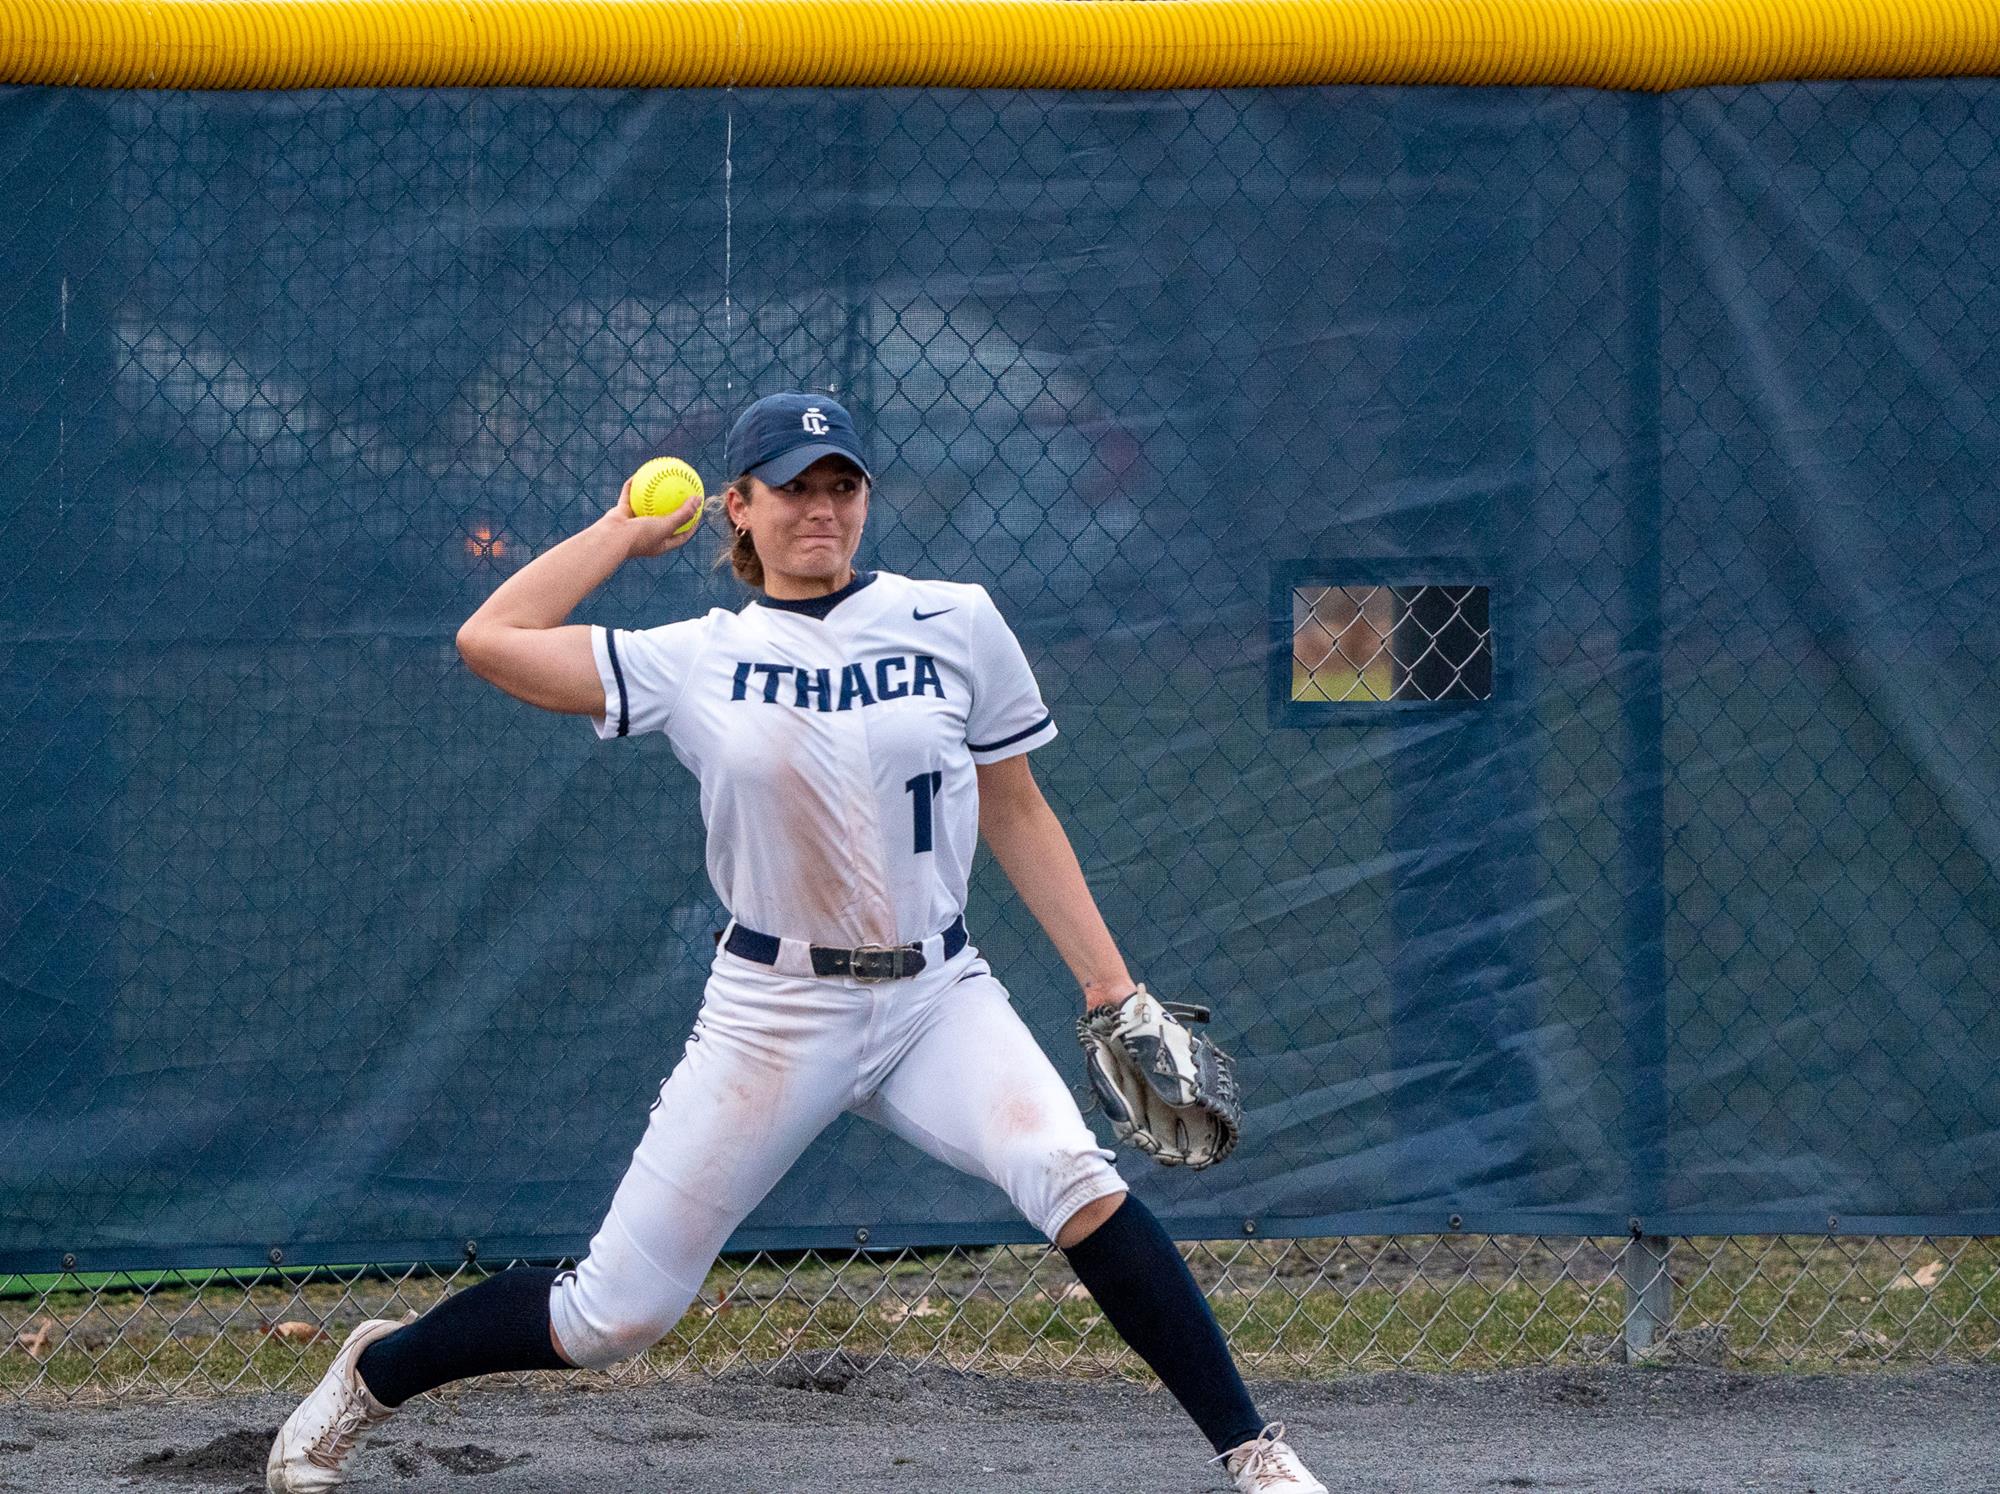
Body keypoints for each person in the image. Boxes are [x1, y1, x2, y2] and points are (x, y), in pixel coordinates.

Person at [266, 392, 1327, 1494]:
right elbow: (489, 640)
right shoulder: (694, 656)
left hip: (937, 995)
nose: (819, 506)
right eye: (791, 486)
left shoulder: (952, 619)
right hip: (773, 1009)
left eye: (840, 484)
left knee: (1070, 1176)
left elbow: (1015, 806)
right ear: (738, 507)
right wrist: (623, 531)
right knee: (613, 1315)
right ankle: (374, 1371)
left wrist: (1110, 987)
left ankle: (1254, 1454)